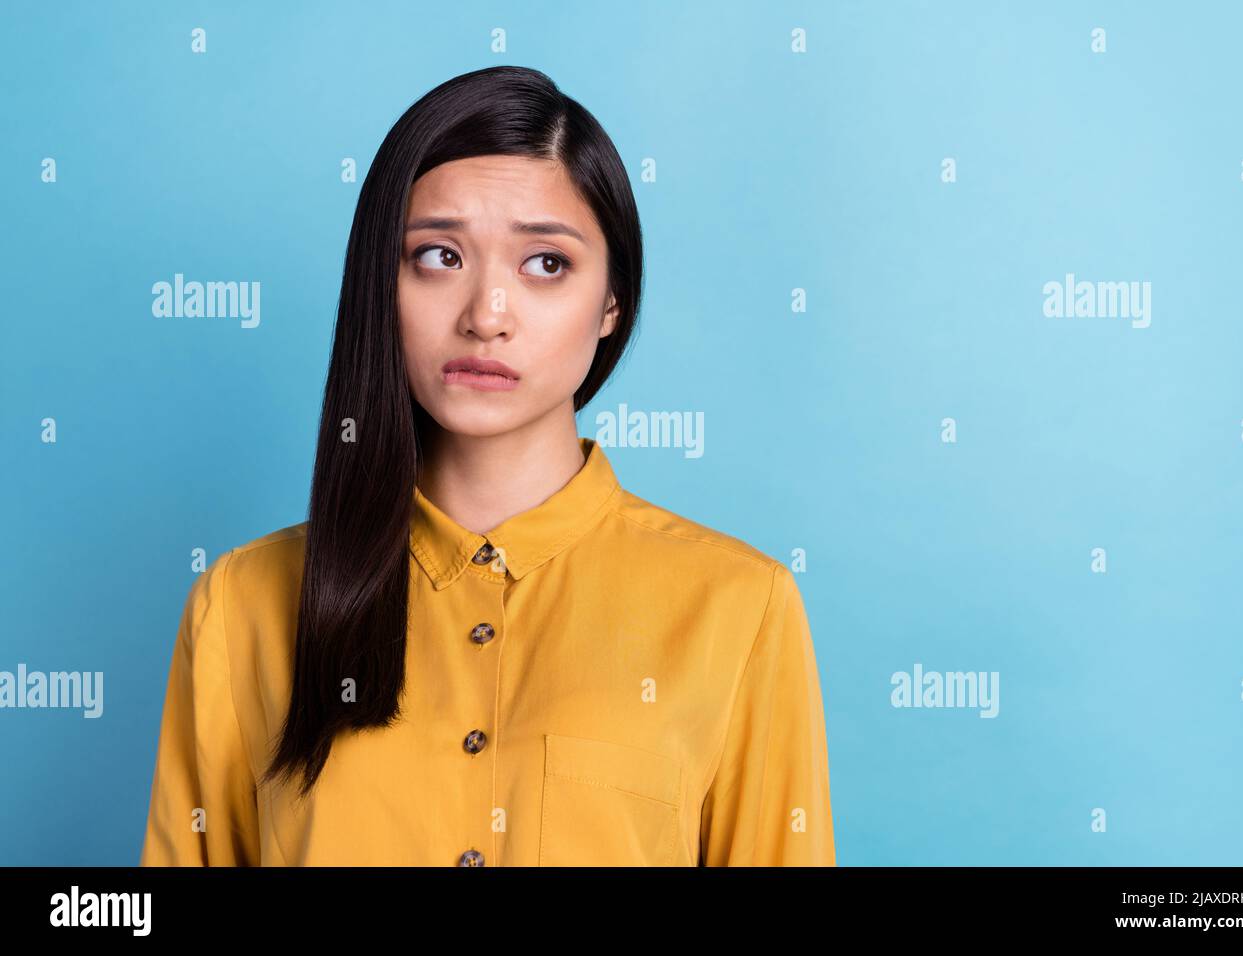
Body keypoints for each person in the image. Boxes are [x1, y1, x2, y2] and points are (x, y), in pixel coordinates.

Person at [139, 65, 834, 866]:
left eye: (545, 264)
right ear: (381, 280)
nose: (485, 317)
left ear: (612, 302)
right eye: (438, 256)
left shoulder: (739, 610)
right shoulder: (243, 606)